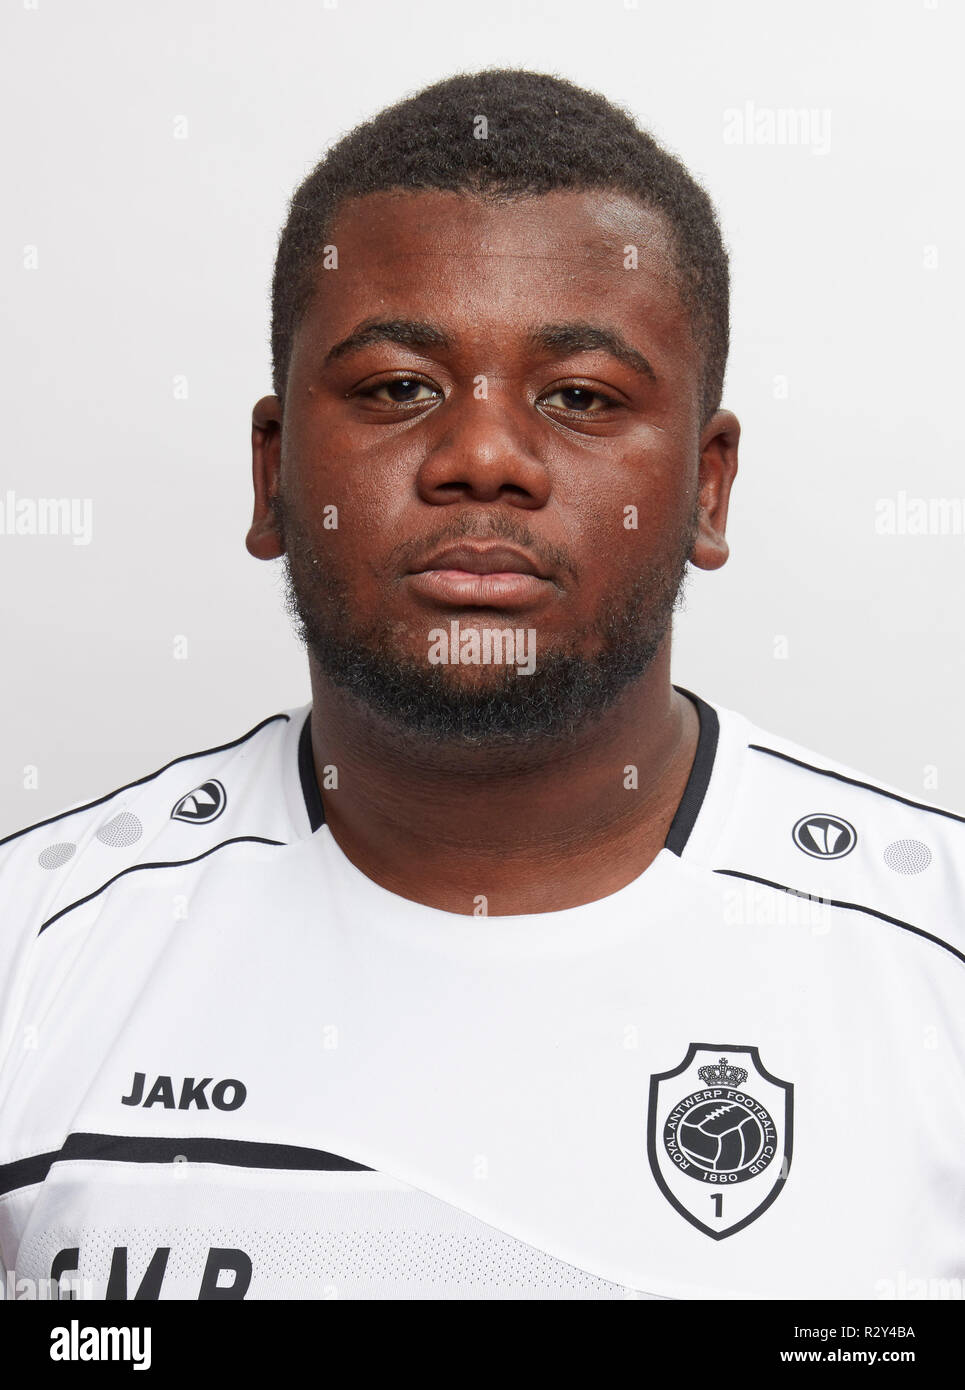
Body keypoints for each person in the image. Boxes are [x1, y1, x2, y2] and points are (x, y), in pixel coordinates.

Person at [1, 68, 962, 1302]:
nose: (482, 458)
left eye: (578, 398)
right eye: (400, 387)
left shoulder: (929, 966)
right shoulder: (36, 958)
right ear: (272, 470)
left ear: (708, 489)